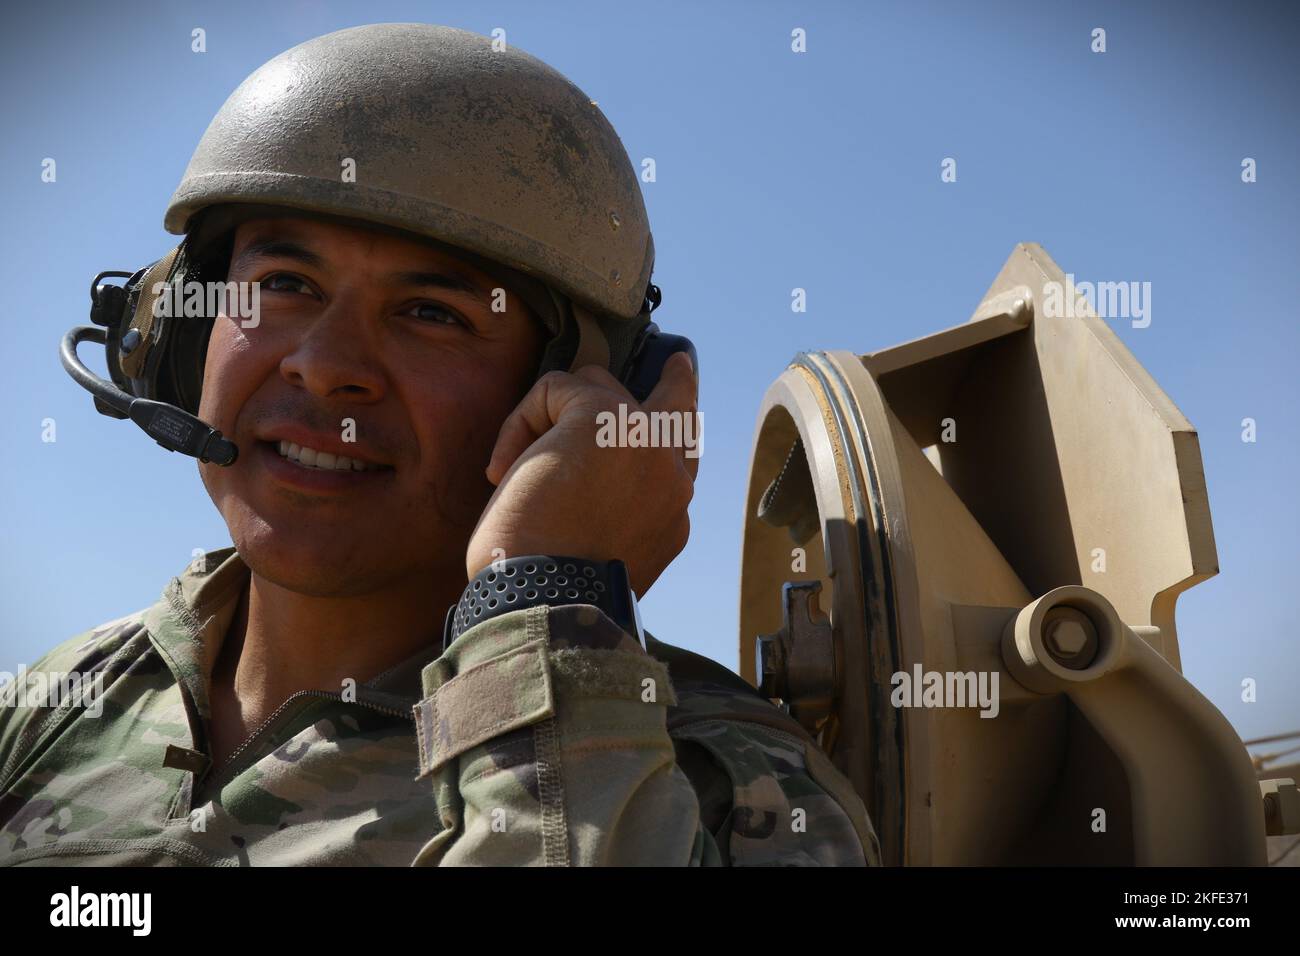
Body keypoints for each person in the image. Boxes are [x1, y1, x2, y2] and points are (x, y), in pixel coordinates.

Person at [0, 22, 879, 866]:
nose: (325, 367)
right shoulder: (58, 702)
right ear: (177, 332)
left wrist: (548, 599)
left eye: (432, 314)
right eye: (285, 283)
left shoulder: (727, 788)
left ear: (577, 395)